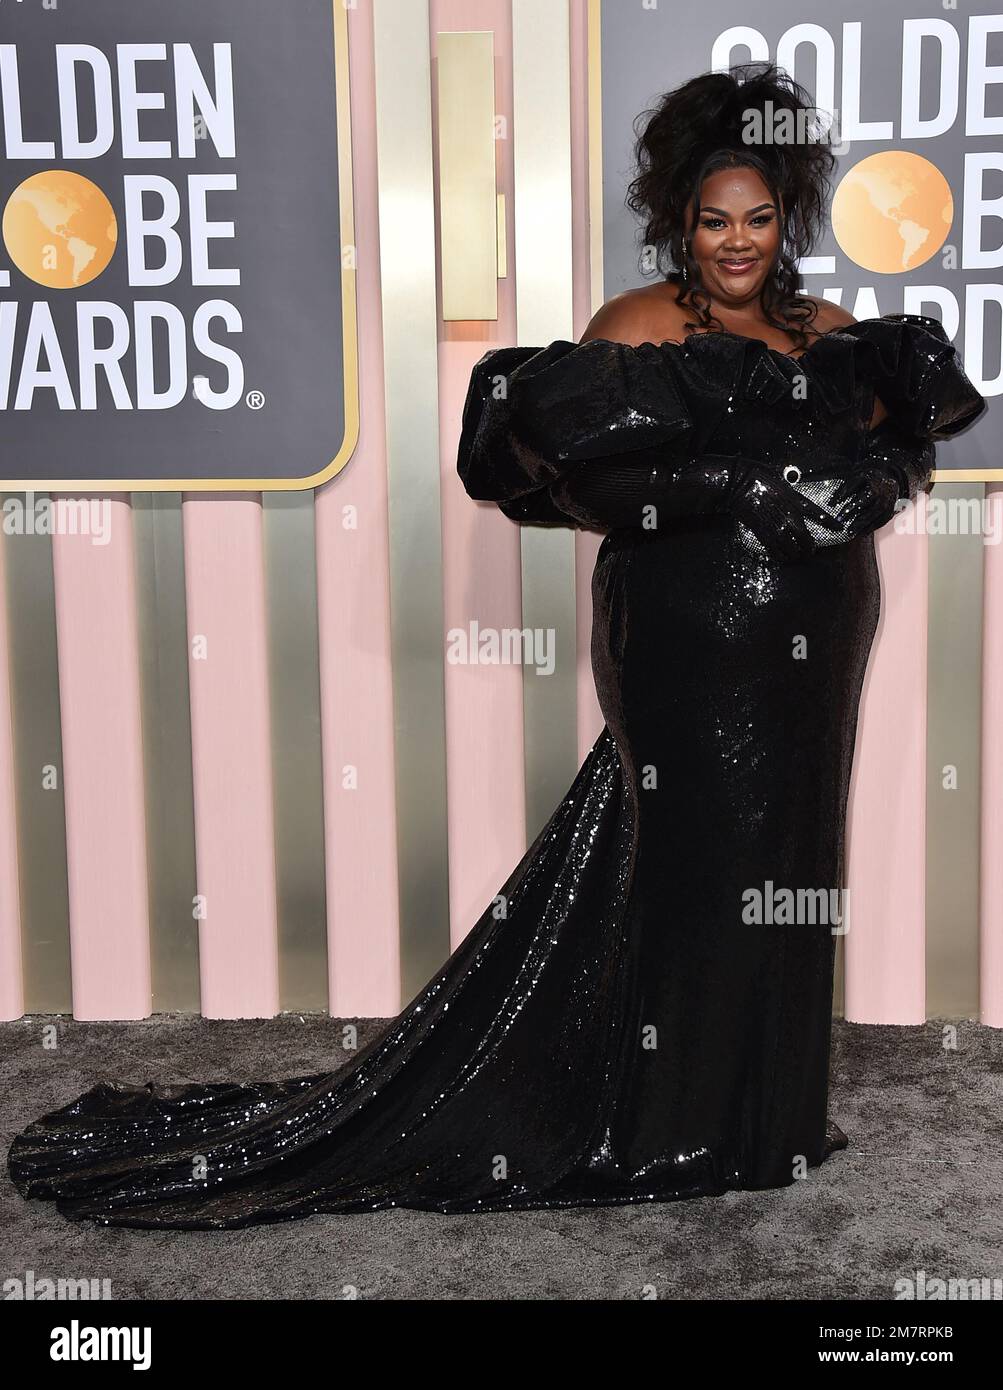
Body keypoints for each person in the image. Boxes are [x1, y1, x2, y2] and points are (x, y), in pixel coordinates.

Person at [6, 64, 986, 1229]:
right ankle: (666, 1118)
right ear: (679, 217)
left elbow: (900, 448)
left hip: (815, 634)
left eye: (758, 218)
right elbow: (578, 482)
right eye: (712, 219)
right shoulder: (632, 331)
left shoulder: (835, 335)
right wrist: (735, 477)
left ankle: (760, 1118)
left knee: (787, 849)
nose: (735, 242)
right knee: (683, 860)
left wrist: (869, 477)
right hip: (680, 634)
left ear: (789, 217)